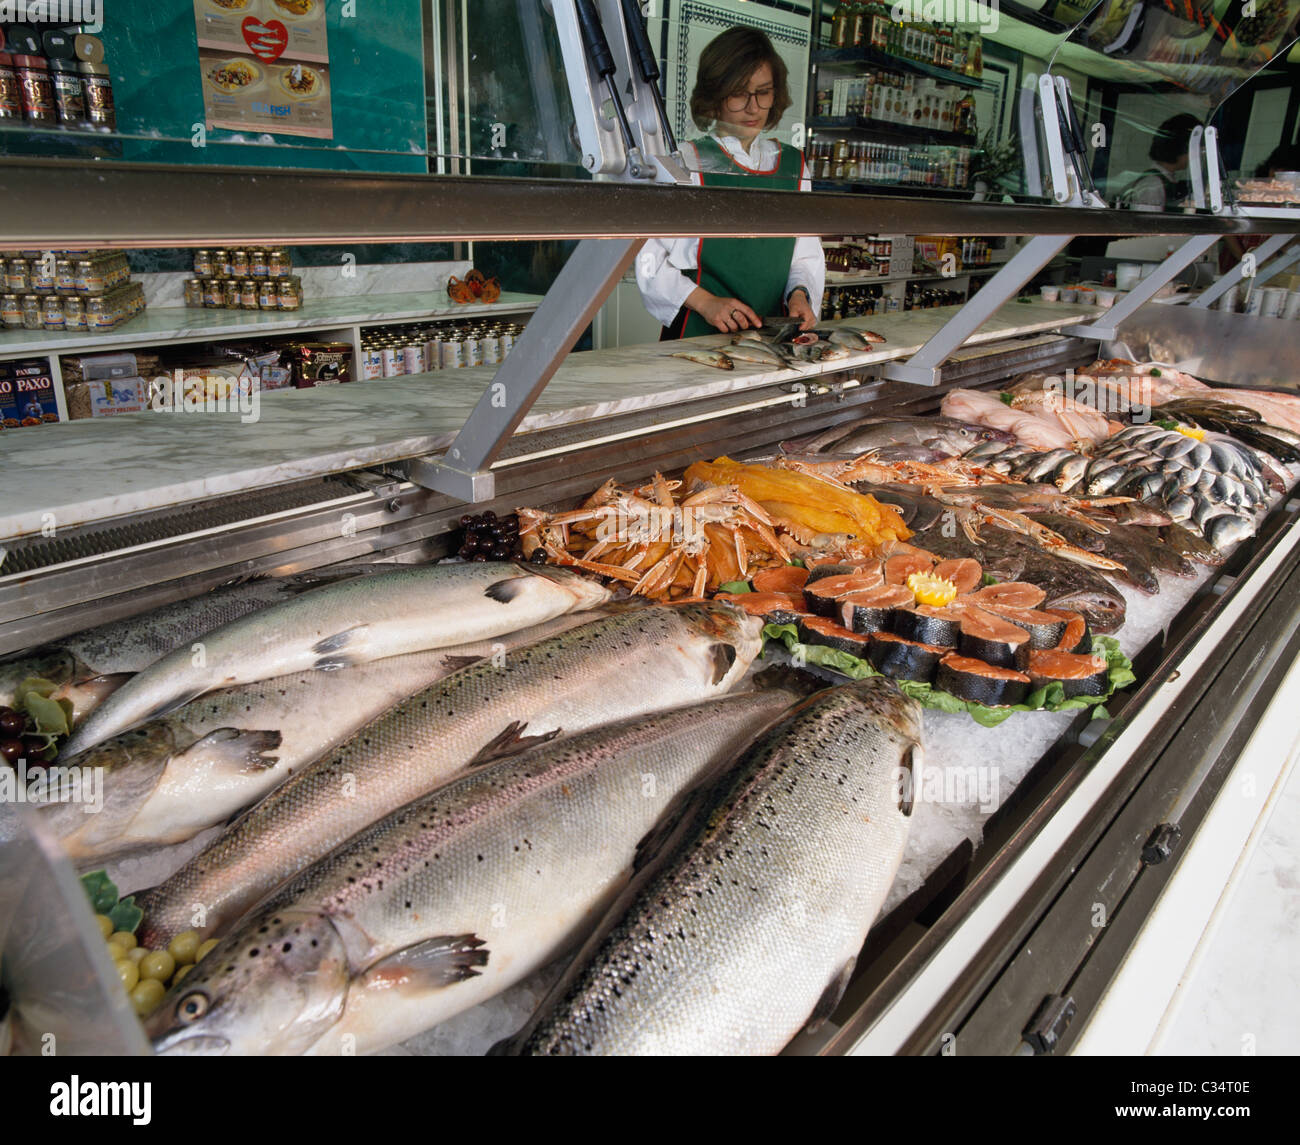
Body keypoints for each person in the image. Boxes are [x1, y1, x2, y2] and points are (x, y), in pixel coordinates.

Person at [636, 26, 824, 339]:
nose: (753, 108)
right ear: (715, 96)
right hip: (695, 338)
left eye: (763, 92)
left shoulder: (795, 168)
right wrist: (706, 303)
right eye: (739, 94)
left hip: (770, 339)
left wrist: (800, 295)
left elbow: (804, 256)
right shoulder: (684, 164)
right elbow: (646, 261)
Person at [1118, 114, 1200, 212]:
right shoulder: (1152, 186)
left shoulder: (1166, 182)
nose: (1197, 155)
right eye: (1196, 148)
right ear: (1182, 148)